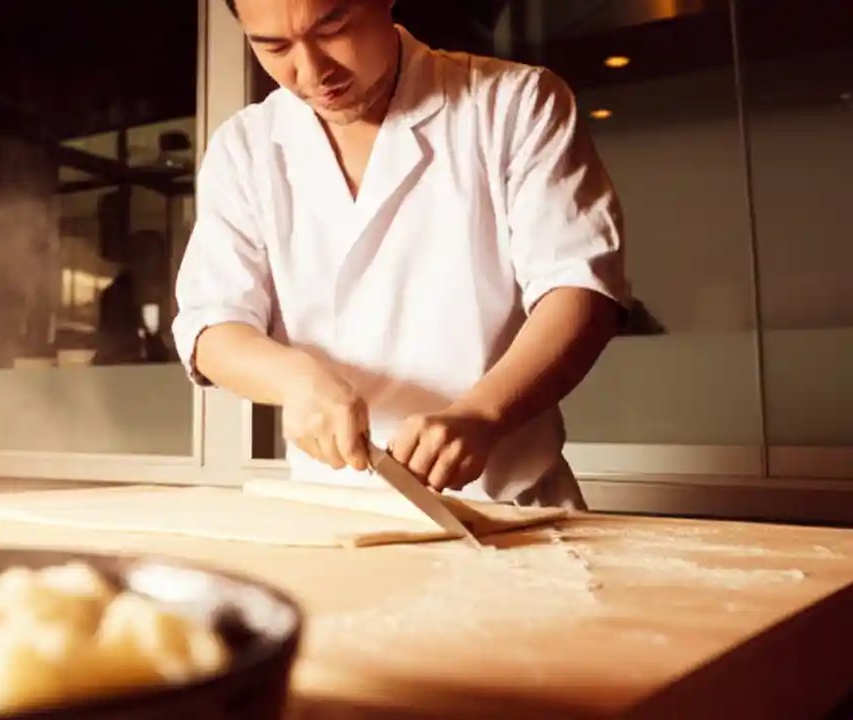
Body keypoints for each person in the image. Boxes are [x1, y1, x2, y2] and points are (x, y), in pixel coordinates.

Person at [171, 0, 630, 508]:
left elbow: (579, 292)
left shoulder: (513, 103)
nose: (312, 71)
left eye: (333, 28)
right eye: (274, 47)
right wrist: (293, 380)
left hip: (507, 508)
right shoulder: (246, 146)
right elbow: (211, 325)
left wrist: (482, 415)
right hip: (325, 509)